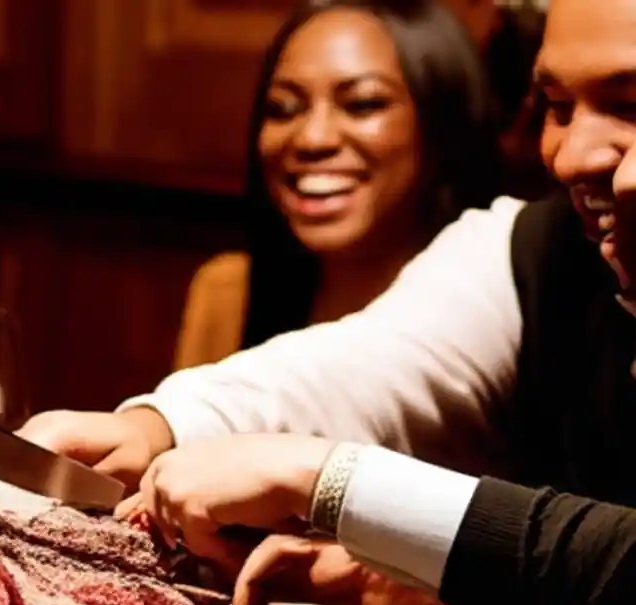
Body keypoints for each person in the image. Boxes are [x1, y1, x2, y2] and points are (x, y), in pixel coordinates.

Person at [21, 0, 636, 605]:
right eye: (558, 107)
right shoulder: (532, 248)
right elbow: (376, 361)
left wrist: (328, 479)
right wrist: (158, 426)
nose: (573, 154)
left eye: (628, 106)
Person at [175, 0, 498, 369]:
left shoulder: (497, 318)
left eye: (362, 104)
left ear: (442, 127)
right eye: (283, 108)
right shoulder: (229, 295)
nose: (312, 138)